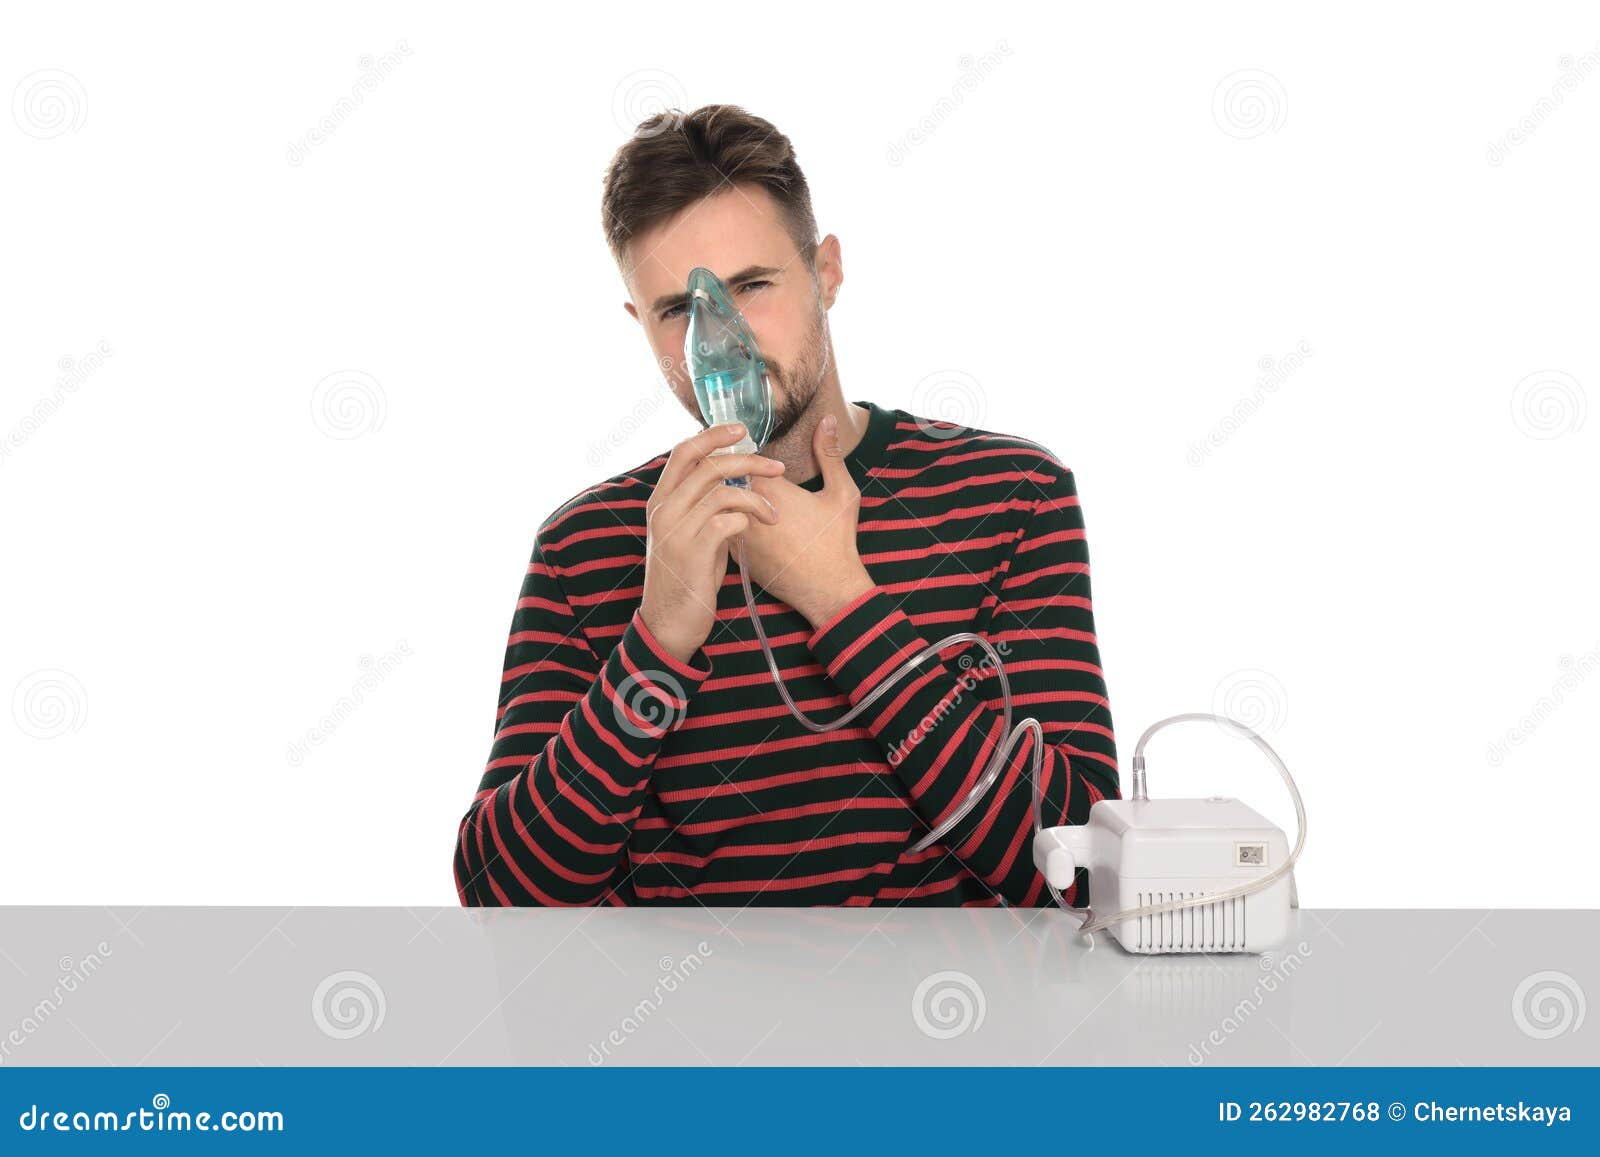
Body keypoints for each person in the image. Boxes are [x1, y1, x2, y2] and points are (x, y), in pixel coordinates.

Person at [453, 104, 1118, 906]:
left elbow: (1080, 873)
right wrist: (656, 638)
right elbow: (502, 897)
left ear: (826, 271)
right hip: (685, 1028)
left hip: (951, 1024)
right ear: (641, 324)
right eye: (676, 311)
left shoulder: (1011, 495)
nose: (718, 338)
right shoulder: (586, 544)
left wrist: (842, 602)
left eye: (751, 285)